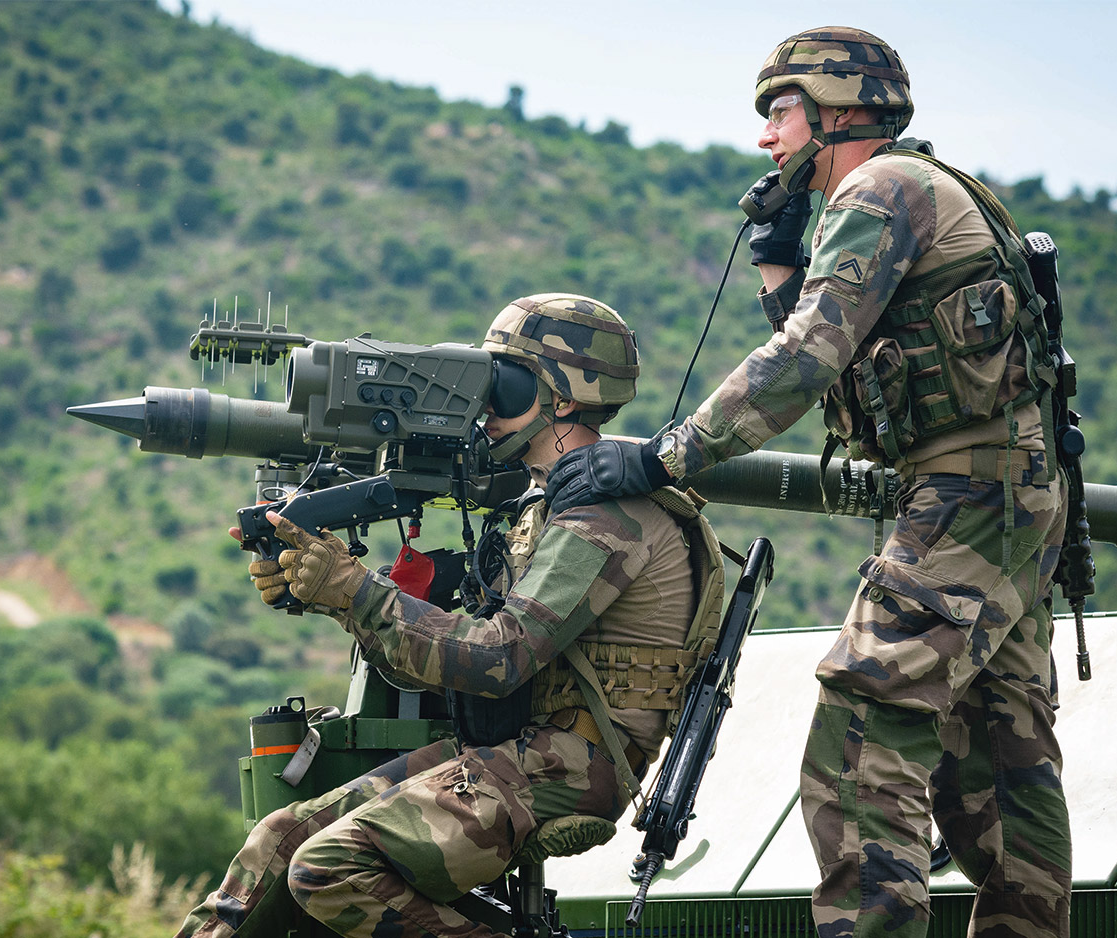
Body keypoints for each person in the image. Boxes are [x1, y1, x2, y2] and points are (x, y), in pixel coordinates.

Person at [546, 27, 1071, 938]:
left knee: (862, 731)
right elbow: (846, 334)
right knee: (999, 759)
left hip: (966, 495)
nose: (767, 137)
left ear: (835, 109)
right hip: (1008, 493)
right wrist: (779, 257)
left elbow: (806, 359)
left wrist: (662, 456)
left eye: (779, 112)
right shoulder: (916, 188)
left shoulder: (881, 187)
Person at [176, 293, 722, 937]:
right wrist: (333, 595)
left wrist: (353, 591)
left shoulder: (609, 513)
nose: (486, 408)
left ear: (564, 398)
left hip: (572, 763)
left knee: (329, 868)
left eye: (505, 385)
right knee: (280, 839)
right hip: (511, 744)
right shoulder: (541, 509)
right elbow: (447, 661)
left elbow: (495, 658)